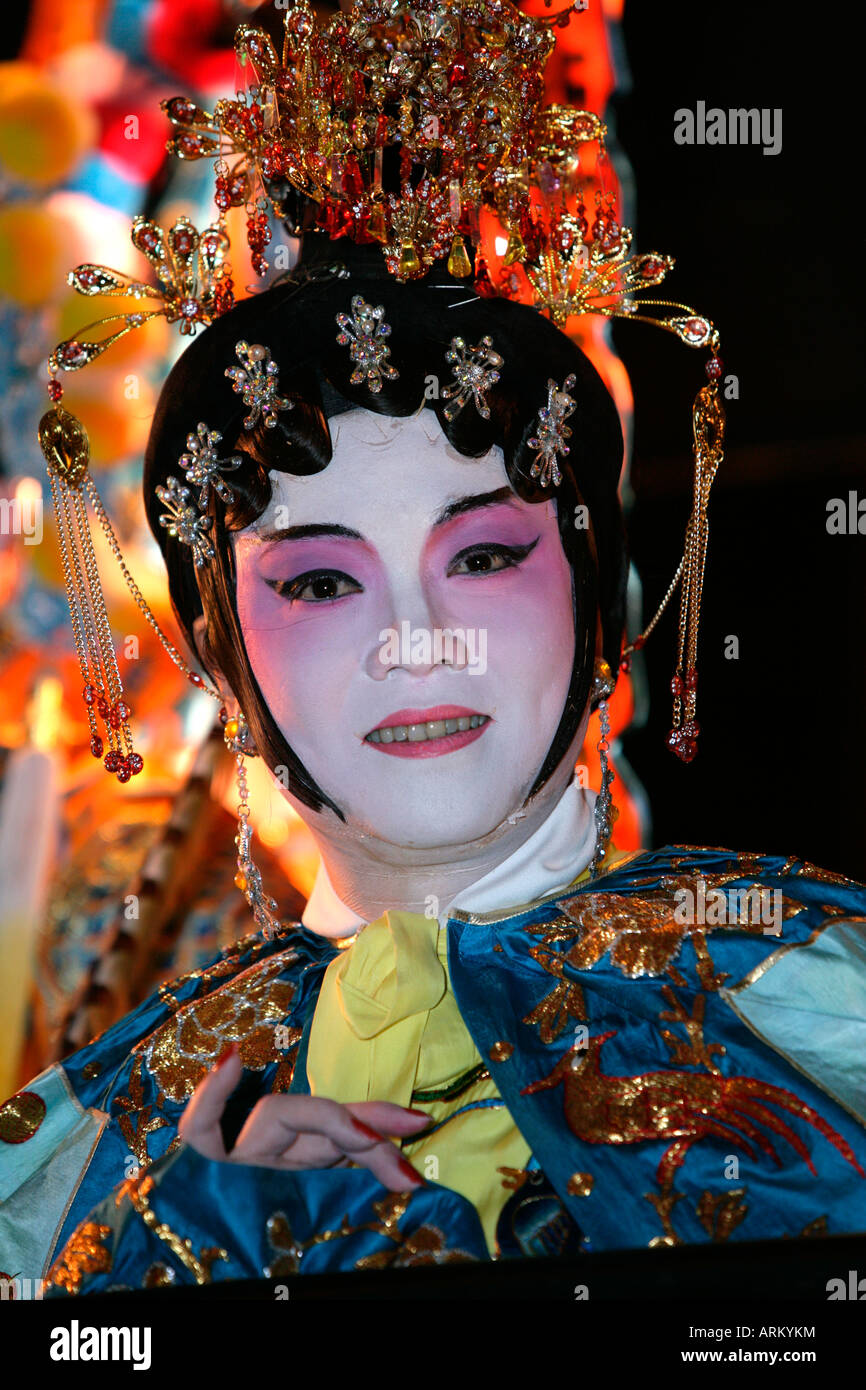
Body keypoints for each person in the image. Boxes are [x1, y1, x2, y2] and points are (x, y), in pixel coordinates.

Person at [3, 0, 866, 1294]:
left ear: (596, 586)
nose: (412, 641)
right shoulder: (87, 1147)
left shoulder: (812, 989)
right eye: (318, 579)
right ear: (213, 647)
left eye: (481, 555)